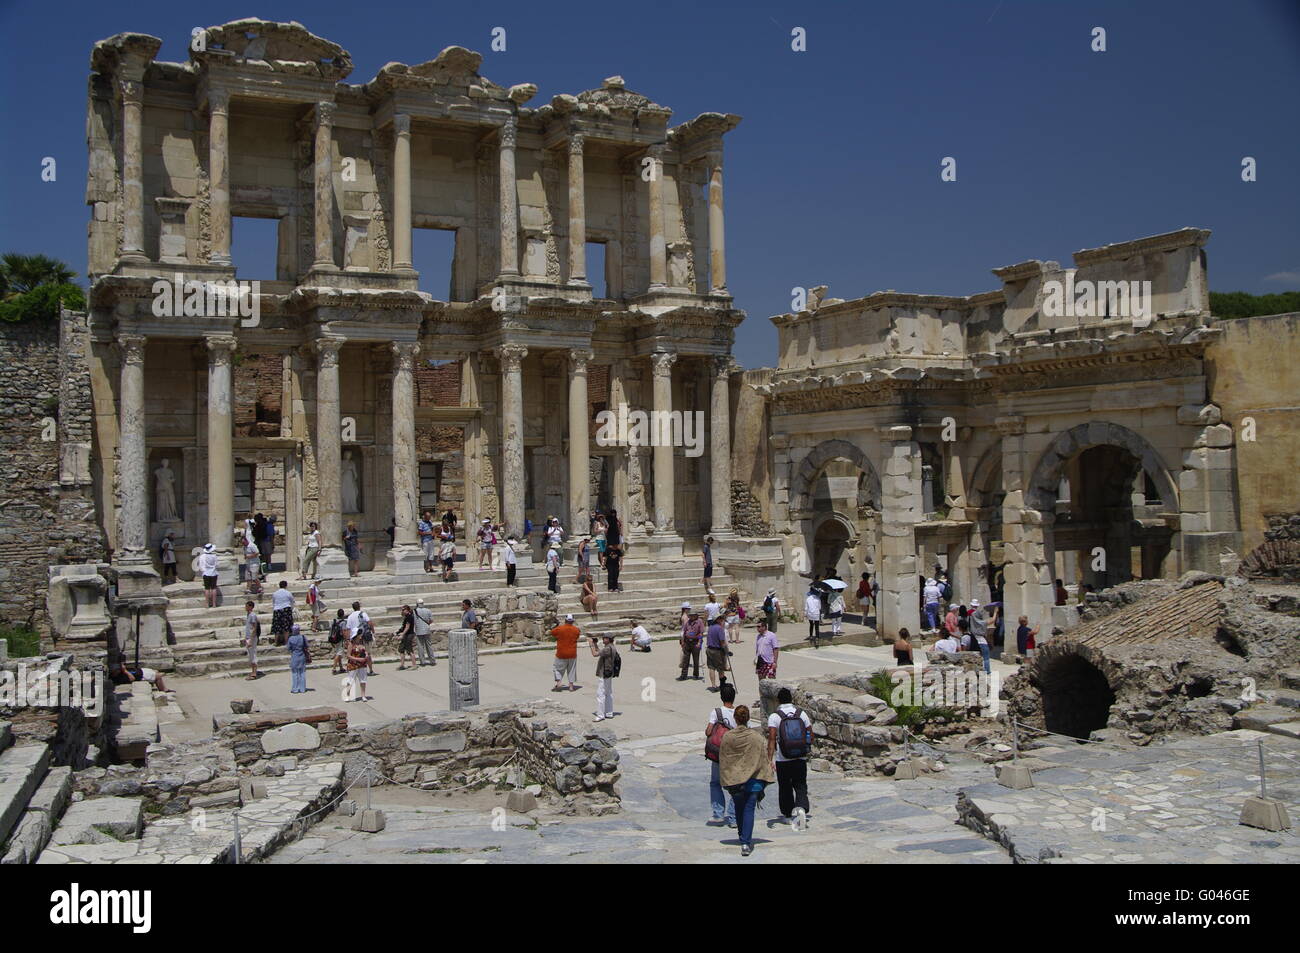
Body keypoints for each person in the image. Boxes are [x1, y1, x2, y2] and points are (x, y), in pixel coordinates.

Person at [720, 705, 775, 856]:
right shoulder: (757, 737)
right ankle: (745, 842)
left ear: (735, 719)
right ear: (748, 718)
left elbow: (724, 758)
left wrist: (726, 776)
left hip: (735, 781)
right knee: (749, 810)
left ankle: (741, 835)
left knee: (738, 807)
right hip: (754, 781)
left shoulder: (728, 737)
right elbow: (764, 758)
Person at [767, 687, 813, 826]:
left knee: (785, 787)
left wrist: (770, 758)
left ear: (779, 701)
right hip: (800, 757)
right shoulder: (801, 714)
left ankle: (787, 815)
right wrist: (805, 748)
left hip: (783, 758)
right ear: (791, 699)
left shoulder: (775, 717)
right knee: (800, 785)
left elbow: (772, 739)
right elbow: (810, 733)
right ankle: (801, 811)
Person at [704, 681, 738, 828]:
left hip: (718, 754)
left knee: (715, 783)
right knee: (735, 786)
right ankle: (733, 818)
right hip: (733, 755)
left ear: (721, 697)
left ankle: (718, 814)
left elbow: (708, 731)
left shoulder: (716, 712)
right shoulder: (739, 713)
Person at [550, 613, 581, 692]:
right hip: (572, 653)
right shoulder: (576, 630)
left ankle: (559, 682)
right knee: (571, 670)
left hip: (561, 653)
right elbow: (577, 636)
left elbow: (552, 633)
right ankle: (571, 686)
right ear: (573, 621)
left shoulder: (560, 629)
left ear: (565, 620)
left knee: (557, 668)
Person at [591, 633, 618, 721]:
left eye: (605, 638)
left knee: (600, 694)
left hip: (604, 673)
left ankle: (600, 715)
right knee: (608, 693)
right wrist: (595, 644)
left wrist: (591, 645)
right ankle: (609, 712)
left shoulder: (607, 649)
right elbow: (600, 652)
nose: (603, 639)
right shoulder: (611, 647)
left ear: (609, 639)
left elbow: (595, 654)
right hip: (609, 673)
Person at [347, 601, 374, 675]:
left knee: (354, 653)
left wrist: (348, 639)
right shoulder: (363, 614)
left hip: (354, 637)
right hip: (364, 636)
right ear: (359, 607)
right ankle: (370, 670)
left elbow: (348, 629)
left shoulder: (350, 616)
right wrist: (373, 631)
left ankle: (357, 668)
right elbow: (369, 622)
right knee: (367, 653)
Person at [678, 607, 705, 681]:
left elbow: (701, 633)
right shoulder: (688, 622)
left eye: (693, 615)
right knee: (685, 659)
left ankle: (696, 674)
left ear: (696, 615)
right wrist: (683, 641)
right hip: (687, 642)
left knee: (696, 659)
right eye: (690, 615)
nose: (691, 616)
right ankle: (683, 675)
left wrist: (699, 642)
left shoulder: (699, 621)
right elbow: (684, 631)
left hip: (695, 642)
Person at [705, 611, 729, 691]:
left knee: (711, 667)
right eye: (721, 618)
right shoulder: (719, 628)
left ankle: (713, 685)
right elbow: (722, 642)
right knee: (720, 668)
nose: (723, 620)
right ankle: (722, 684)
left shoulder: (710, 627)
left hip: (709, 649)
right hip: (717, 651)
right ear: (718, 620)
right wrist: (726, 651)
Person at [345, 633, 370, 702]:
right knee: (351, 680)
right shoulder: (351, 644)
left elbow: (366, 652)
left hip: (362, 664)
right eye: (359, 635)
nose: (361, 636)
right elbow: (348, 656)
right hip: (353, 664)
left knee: (363, 680)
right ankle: (347, 695)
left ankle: (363, 695)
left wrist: (366, 655)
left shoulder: (362, 644)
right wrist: (358, 659)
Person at [287, 623, 311, 694]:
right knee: (302, 672)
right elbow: (307, 646)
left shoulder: (291, 638)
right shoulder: (303, 637)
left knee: (295, 673)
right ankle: (302, 689)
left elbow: (288, 648)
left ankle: (295, 689)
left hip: (294, 656)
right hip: (302, 656)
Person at [271, 579, 295, 646]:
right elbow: (292, 602)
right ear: (286, 586)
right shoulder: (288, 593)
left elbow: (273, 602)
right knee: (286, 626)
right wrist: (291, 609)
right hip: (286, 609)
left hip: (277, 610)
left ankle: (276, 642)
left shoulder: (275, 593)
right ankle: (286, 642)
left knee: (277, 627)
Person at [413, 598, 435, 666]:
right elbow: (431, 620)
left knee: (420, 646)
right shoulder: (428, 610)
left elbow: (413, 620)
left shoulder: (415, 611)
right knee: (429, 645)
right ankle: (432, 661)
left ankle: (422, 662)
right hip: (427, 629)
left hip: (419, 630)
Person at [242, 600, 260, 681]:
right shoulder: (249, 615)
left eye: (247, 606)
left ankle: (254, 673)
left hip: (251, 638)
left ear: (250, 607)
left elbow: (254, 628)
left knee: (253, 655)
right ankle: (253, 671)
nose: (245, 607)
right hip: (248, 637)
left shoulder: (252, 615)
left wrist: (251, 640)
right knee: (250, 655)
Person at [395, 605, 418, 670]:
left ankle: (414, 665)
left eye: (403, 609)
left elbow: (407, 627)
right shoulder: (406, 617)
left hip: (409, 635)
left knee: (409, 650)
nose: (402, 611)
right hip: (406, 635)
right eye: (402, 610)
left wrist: (402, 634)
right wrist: (398, 632)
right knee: (401, 649)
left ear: (407, 610)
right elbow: (403, 627)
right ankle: (402, 665)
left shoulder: (409, 617)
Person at [199, 542, 220, 608]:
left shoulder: (202, 556)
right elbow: (217, 565)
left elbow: (201, 566)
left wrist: (204, 571)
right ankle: (214, 604)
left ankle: (207, 604)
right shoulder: (214, 556)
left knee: (207, 588)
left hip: (206, 573)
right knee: (214, 588)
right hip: (213, 573)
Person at [328, 608, 348, 675]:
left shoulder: (334, 621)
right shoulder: (343, 622)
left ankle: (341, 667)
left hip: (334, 639)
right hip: (340, 640)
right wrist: (346, 640)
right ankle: (334, 668)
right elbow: (344, 631)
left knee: (338, 653)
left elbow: (330, 631)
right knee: (338, 654)